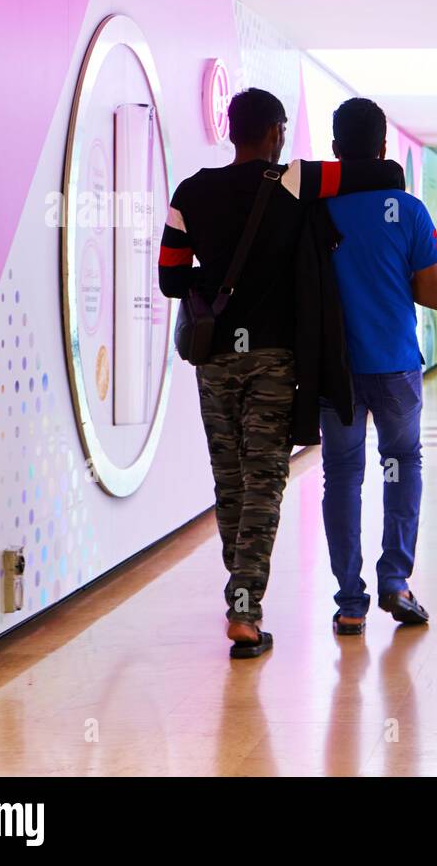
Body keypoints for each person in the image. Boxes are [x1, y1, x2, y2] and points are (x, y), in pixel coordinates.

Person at [158, 88, 401, 657]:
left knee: (231, 480)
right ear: (275, 132)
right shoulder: (293, 181)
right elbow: (384, 174)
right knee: (266, 478)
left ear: (231, 130)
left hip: (214, 358)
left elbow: (171, 279)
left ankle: (241, 600)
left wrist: (214, 287)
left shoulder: (191, 191)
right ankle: (244, 608)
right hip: (273, 357)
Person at [318, 97, 437, 634]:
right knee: (400, 462)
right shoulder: (408, 210)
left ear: (335, 150)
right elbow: (435, 294)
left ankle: (351, 602)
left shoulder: (316, 211)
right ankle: (396, 579)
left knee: (342, 475)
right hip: (394, 363)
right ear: (384, 148)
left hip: (336, 367)